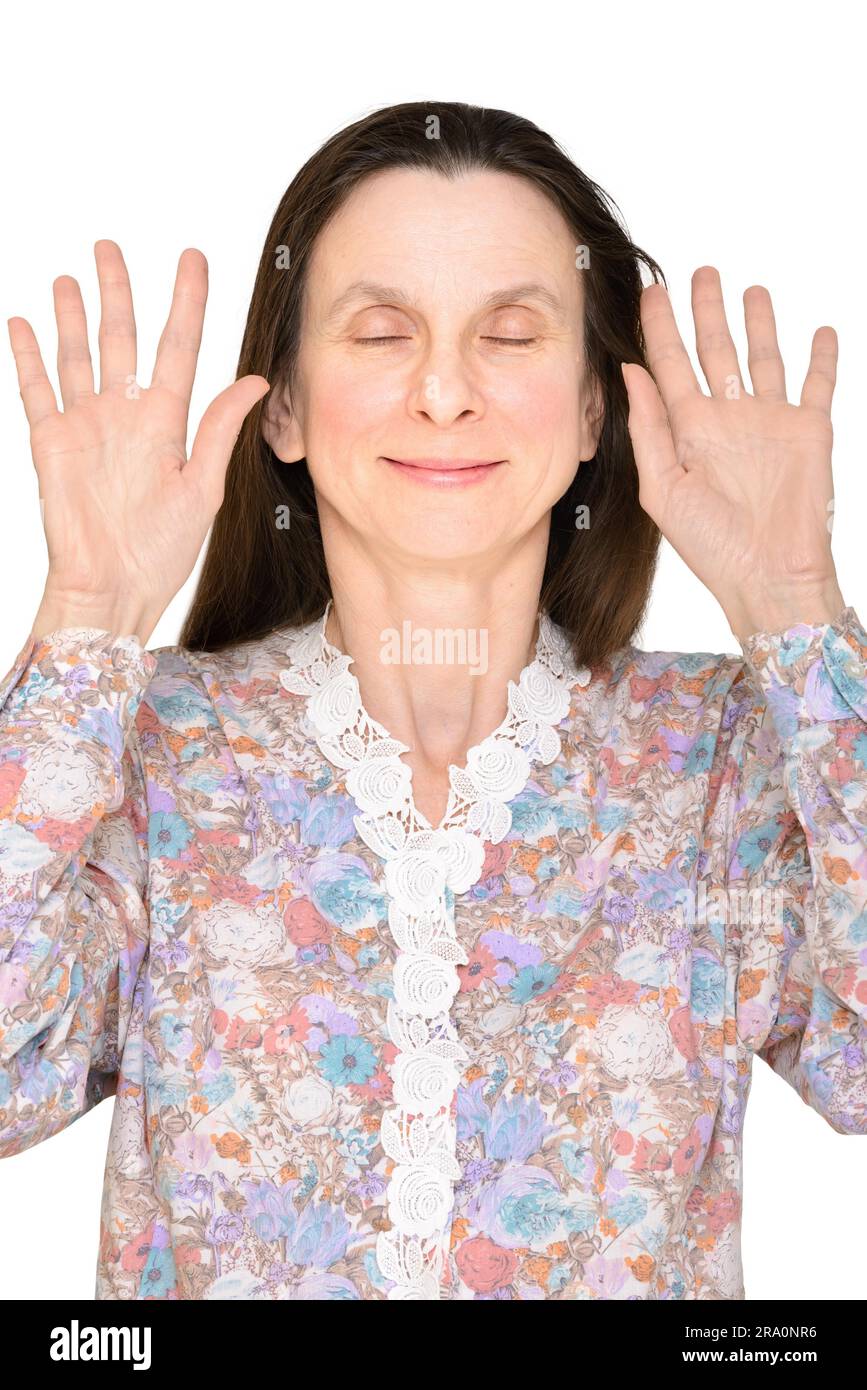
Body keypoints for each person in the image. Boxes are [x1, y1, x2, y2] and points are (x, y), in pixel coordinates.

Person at [0, 100, 864, 1302]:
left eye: (511, 333)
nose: (446, 391)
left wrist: (799, 607)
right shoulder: (151, 749)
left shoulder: (717, 759)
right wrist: (86, 614)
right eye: (380, 332)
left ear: (594, 414)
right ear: (284, 407)